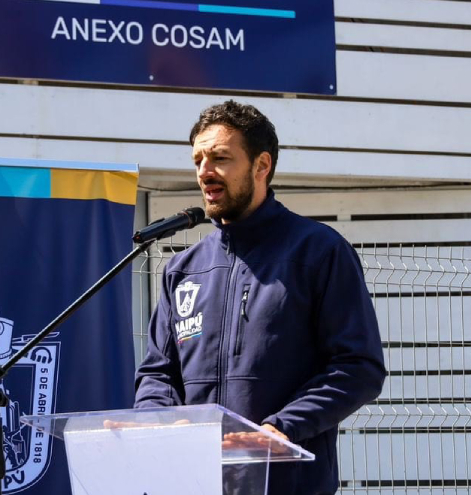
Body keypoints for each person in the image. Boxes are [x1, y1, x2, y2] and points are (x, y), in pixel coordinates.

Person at [134, 100, 386, 494]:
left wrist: (280, 428)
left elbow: (358, 367)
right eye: (198, 159)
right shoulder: (183, 269)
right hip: (194, 482)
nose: (204, 172)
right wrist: (158, 420)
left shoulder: (317, 252)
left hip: (285, 481)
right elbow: (158, 374)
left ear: (261, 166)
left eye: (220, 158)